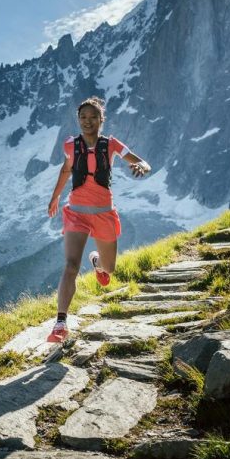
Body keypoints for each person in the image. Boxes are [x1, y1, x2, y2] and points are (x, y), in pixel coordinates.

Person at [45, 96, 151, 342]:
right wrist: (55, 197)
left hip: (103, 213)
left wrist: (142, 167)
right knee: (70, 265)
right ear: (78, 119)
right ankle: (60, 323)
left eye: (93, 117)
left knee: (110, 269)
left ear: (101, 119)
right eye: (83, 117)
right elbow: (66, 169)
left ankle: (98, 264)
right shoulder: (71, 145)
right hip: (77, 213)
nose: (87, 121)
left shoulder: (111, 144)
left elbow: (141, 161)